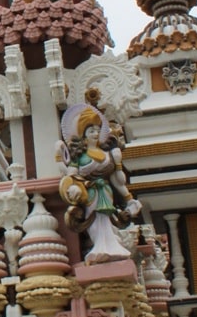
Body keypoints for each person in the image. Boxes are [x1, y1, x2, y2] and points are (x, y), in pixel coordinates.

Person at [57, 104, 141, 264]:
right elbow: (71, 176)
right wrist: (72, 186)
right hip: (91, 194)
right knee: (95, 223)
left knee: (108, 221)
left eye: (97, 130)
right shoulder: (80, 156)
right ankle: (99, 248)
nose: (95, 134)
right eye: (91, 131)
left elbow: (118, 181)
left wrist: (129, 198)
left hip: (106, 192)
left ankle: (113, 248)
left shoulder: (107, 154)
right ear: (83, 134)